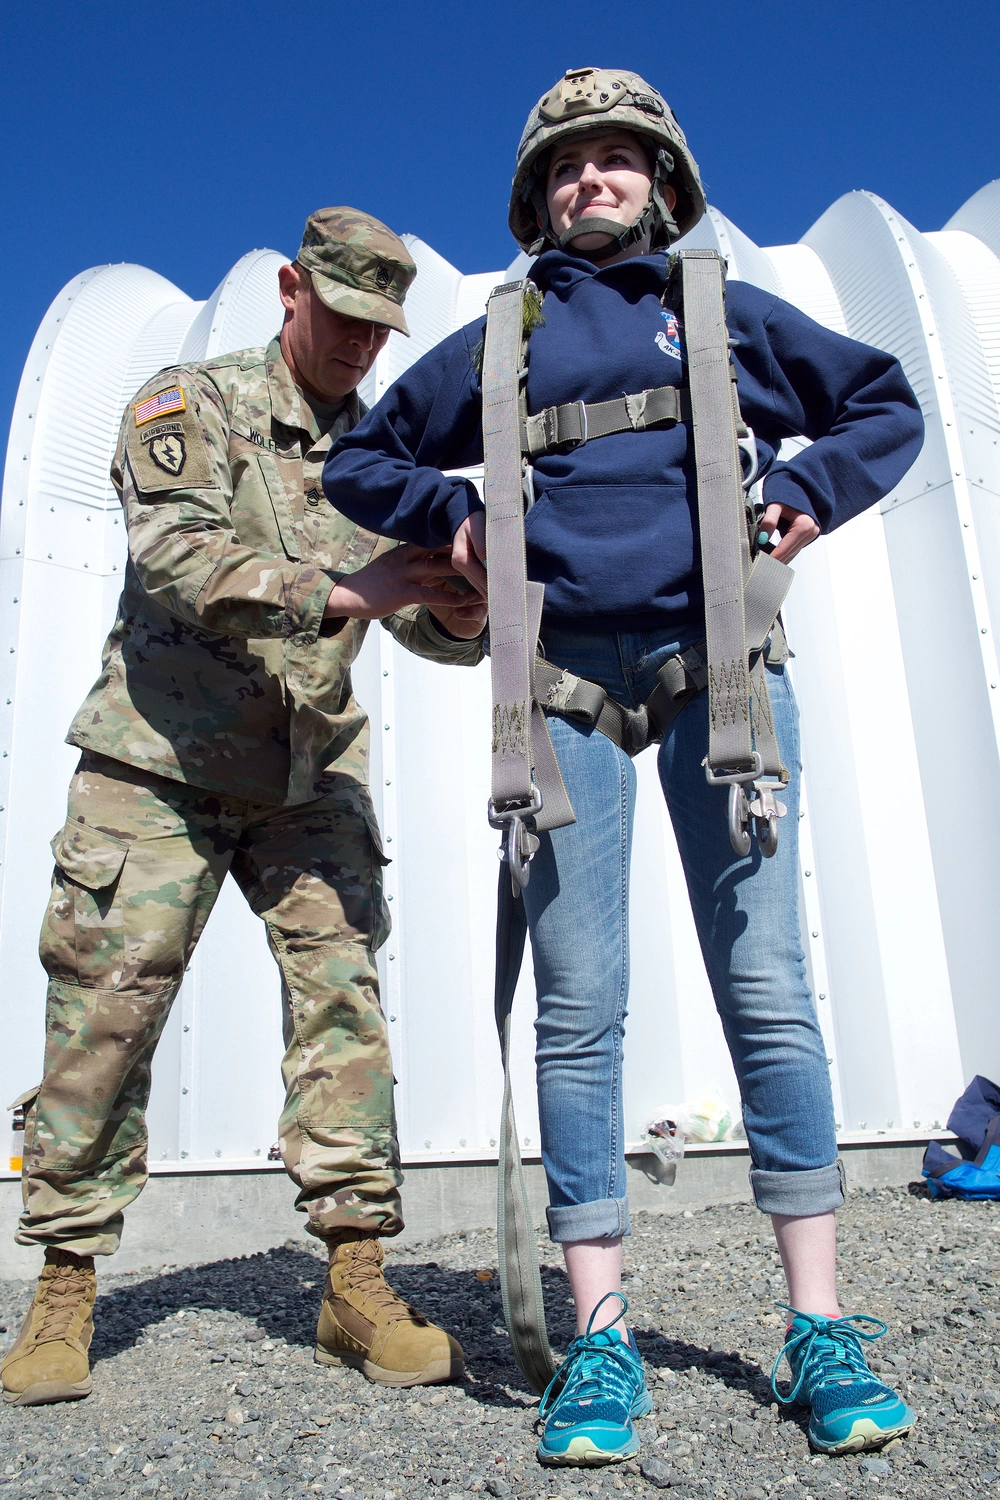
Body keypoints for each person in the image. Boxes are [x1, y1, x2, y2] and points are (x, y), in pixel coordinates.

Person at [321, 71, 925, 1466]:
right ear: (537, 200)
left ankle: (817, 1323)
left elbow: (880, 404)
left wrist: (811, 488)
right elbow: (364, 462)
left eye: (617, 160)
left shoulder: (714, 311)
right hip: (563, 693)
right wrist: (451, 512)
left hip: (723, 681)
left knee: (768, 990)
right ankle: (598, 1338)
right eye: (568, 167)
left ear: (663, 181)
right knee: (579, 1012)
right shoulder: (499, 339)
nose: (593, 179)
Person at [1, 207, 486, 1410]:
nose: (361, 350)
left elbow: (418, 617)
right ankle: (65, 1286)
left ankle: (354, 1278)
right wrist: (341, 587)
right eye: (345, 319)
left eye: (382, 332)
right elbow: (174, 552)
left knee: (344, 1008)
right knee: (105, 1017)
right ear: (290, 289)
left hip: (306, 772)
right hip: (156, 762)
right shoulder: (192, 403)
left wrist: (460, 612)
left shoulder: (382, 458)